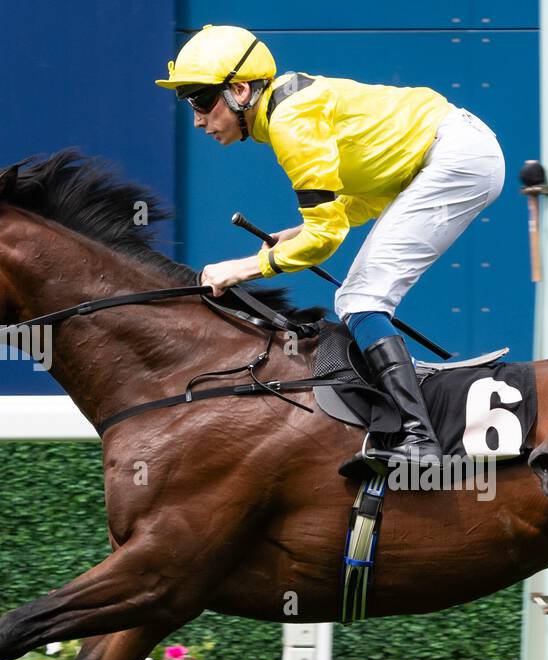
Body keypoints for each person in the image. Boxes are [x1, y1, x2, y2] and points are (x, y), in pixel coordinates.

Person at [156, 24, 506, 470]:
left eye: (201, 101)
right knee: (357, 300)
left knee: (361, 299)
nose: (198, 120)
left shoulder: (289, 122)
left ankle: (419, 440)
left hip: (456, 156)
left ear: (240, 91)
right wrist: (296, 232)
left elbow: (324, 239)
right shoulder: (286, 107)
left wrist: (242, 269)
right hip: (452, 153)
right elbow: (371, 190)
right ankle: (411, 432)